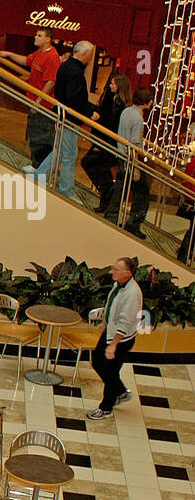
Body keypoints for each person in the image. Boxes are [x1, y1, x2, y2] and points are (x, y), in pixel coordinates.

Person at [33, 40, 93, 197]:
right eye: (91, 55)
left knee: (60, 150)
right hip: (69, 119)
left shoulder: (66, 66)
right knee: (69, 154)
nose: (91, 58)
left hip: (61, 114)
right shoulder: (75, 72)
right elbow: (75, 98)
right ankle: (66, 191)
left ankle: (40, 176)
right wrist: (88, 113)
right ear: (85, 54)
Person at [87, 256, 142, 421]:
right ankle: (120, 391)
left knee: (110, 372)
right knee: (97, 362)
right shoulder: (118, 285)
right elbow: (111, 304)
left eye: (116, 269)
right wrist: (105, 322)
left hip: (120, 339)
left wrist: (113, 345)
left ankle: (106, 408)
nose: (112, 271)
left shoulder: (133, 294)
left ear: (128, 273)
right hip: (111, 332)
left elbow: (126, 321)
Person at [0, 27, 61, 169]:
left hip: (44, 106)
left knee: (40, 137)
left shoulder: (52, 57)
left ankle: (38, 167)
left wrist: (38, 102)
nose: (35, 37)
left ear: (48, 39)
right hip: (35, 102)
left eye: (39, 35)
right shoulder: (40, 53)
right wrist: (8, 54)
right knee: (33, 134)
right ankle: (35, 164)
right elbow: (26, 61)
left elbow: (50, 81)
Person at [108, 86, 155, 232]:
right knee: (142, 192)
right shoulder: (138, 119)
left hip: (121, 155)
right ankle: (133, 223)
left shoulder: (126, 111)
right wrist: (135, 168)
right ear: (147, 102)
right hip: (130, 159)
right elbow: (134, 145)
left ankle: (111, 215)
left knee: (121, 187)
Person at [83, 72, 132, 207]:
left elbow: (111, 124)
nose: (110, 85)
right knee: (100, 168)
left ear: (119, 86)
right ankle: (107, 198)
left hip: (108, 142)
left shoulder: (119, 106)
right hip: (106, 141)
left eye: (112, 84)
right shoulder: (114, 101)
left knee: (92, 164)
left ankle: (108, 194)